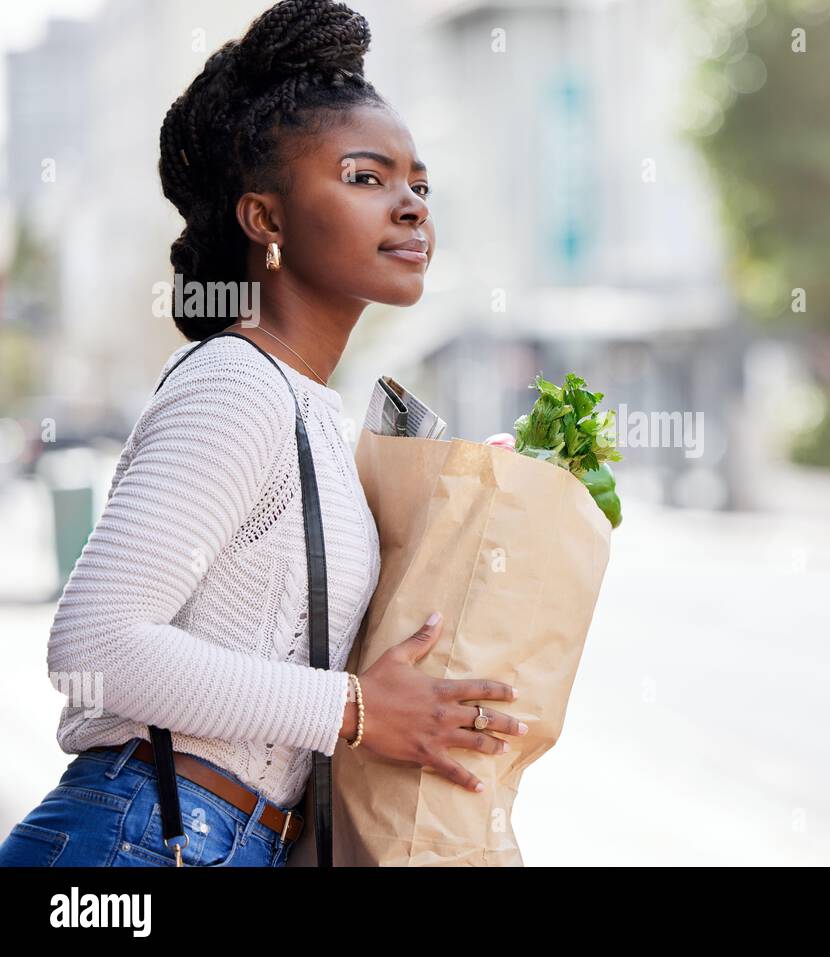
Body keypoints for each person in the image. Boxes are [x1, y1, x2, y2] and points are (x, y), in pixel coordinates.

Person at [0, 0, 525, 868]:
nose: (409, 208)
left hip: (220, 839)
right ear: (265, 220)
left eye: (417, 185)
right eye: (366, 177)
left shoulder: (311, 403)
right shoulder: (235, 385)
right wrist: (354, 709)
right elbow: (92, 646)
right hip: (142, 835)